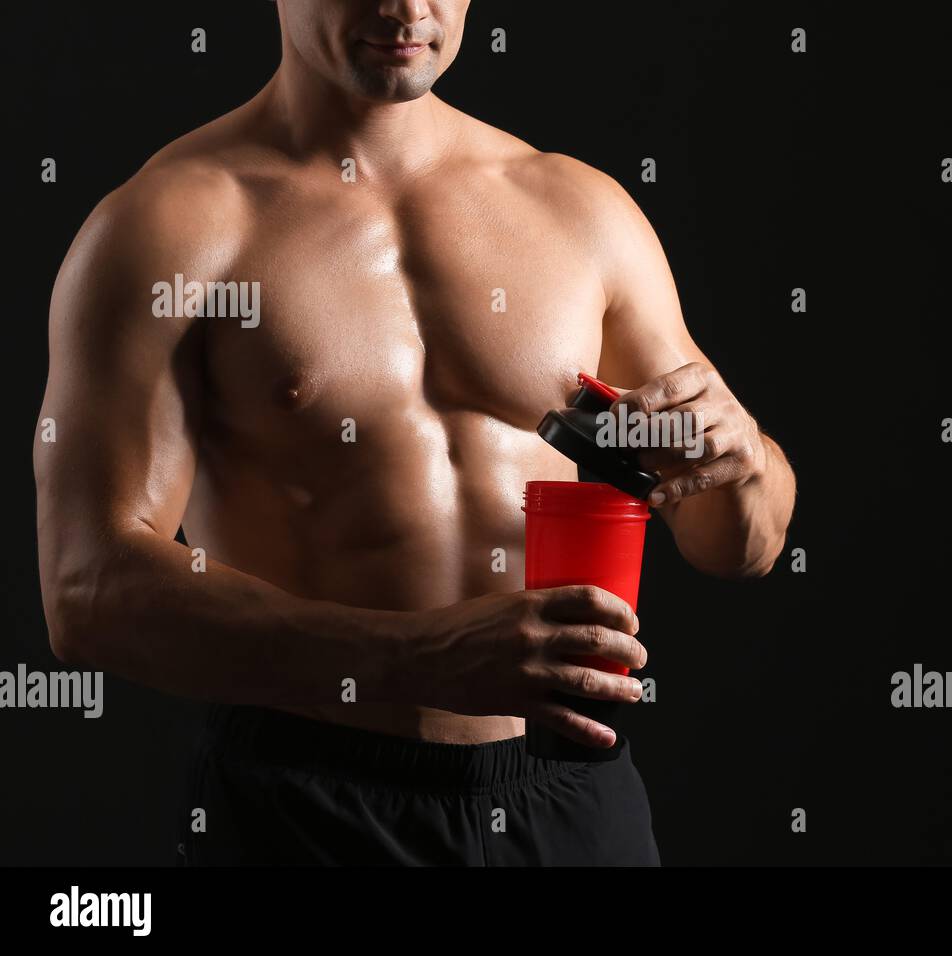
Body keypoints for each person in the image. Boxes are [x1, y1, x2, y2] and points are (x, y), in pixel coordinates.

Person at [34, 0, 796, 865]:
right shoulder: (167, 227)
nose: (404, 7)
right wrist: (412, 660)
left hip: (570, 792)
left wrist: (747, 467)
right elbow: (89, 588)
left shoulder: (582, 212)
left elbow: (739, 544)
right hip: (307, 806)